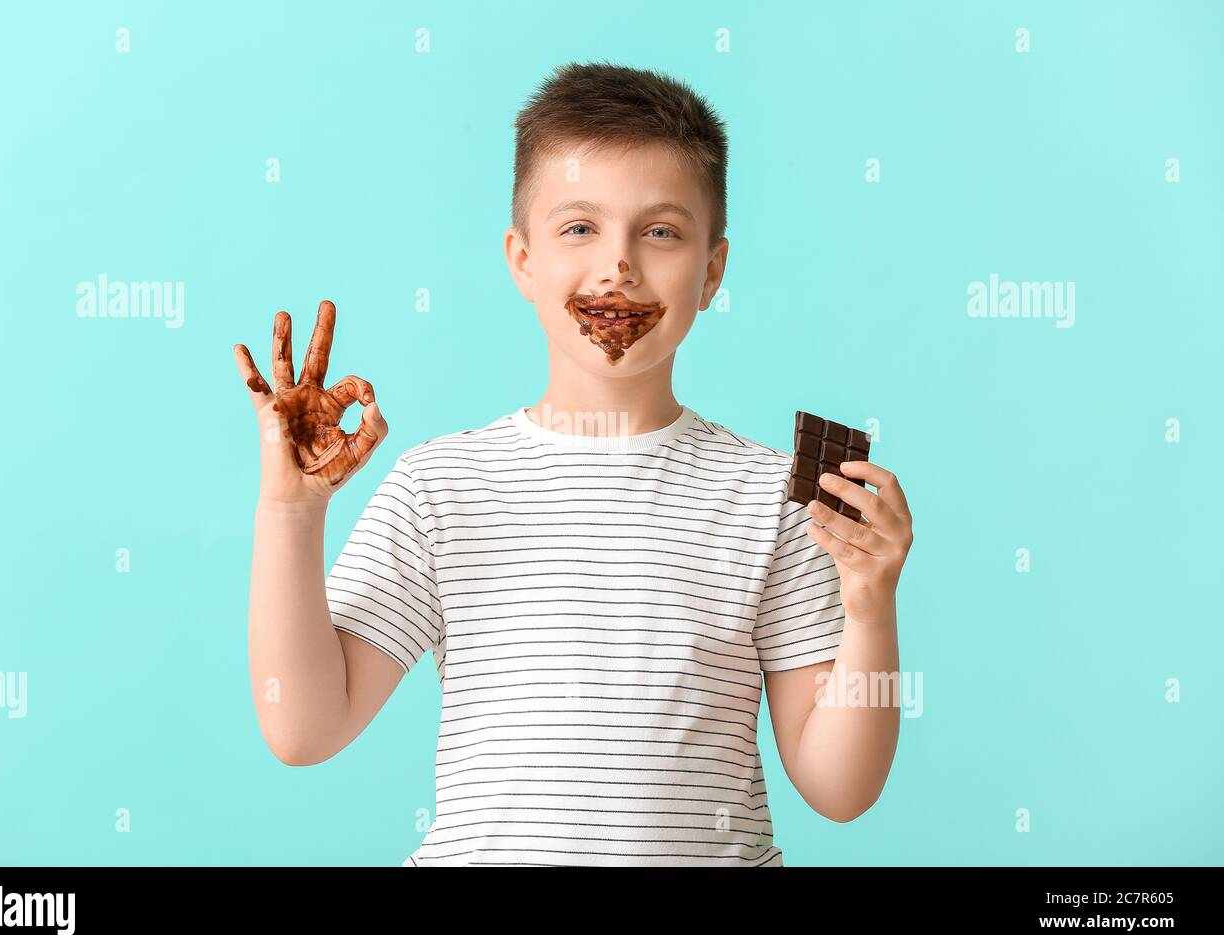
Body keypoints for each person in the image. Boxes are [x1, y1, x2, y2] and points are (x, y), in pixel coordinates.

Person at [233, 61, 914, 866]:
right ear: (522, 260)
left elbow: (841, 790)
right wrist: (290, 511)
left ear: (713, 271)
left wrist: (871, 607)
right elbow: (303, 728)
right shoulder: (439, 488)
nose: (617, 266)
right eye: (579, 228)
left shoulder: (771, 498)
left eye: (660, 231)